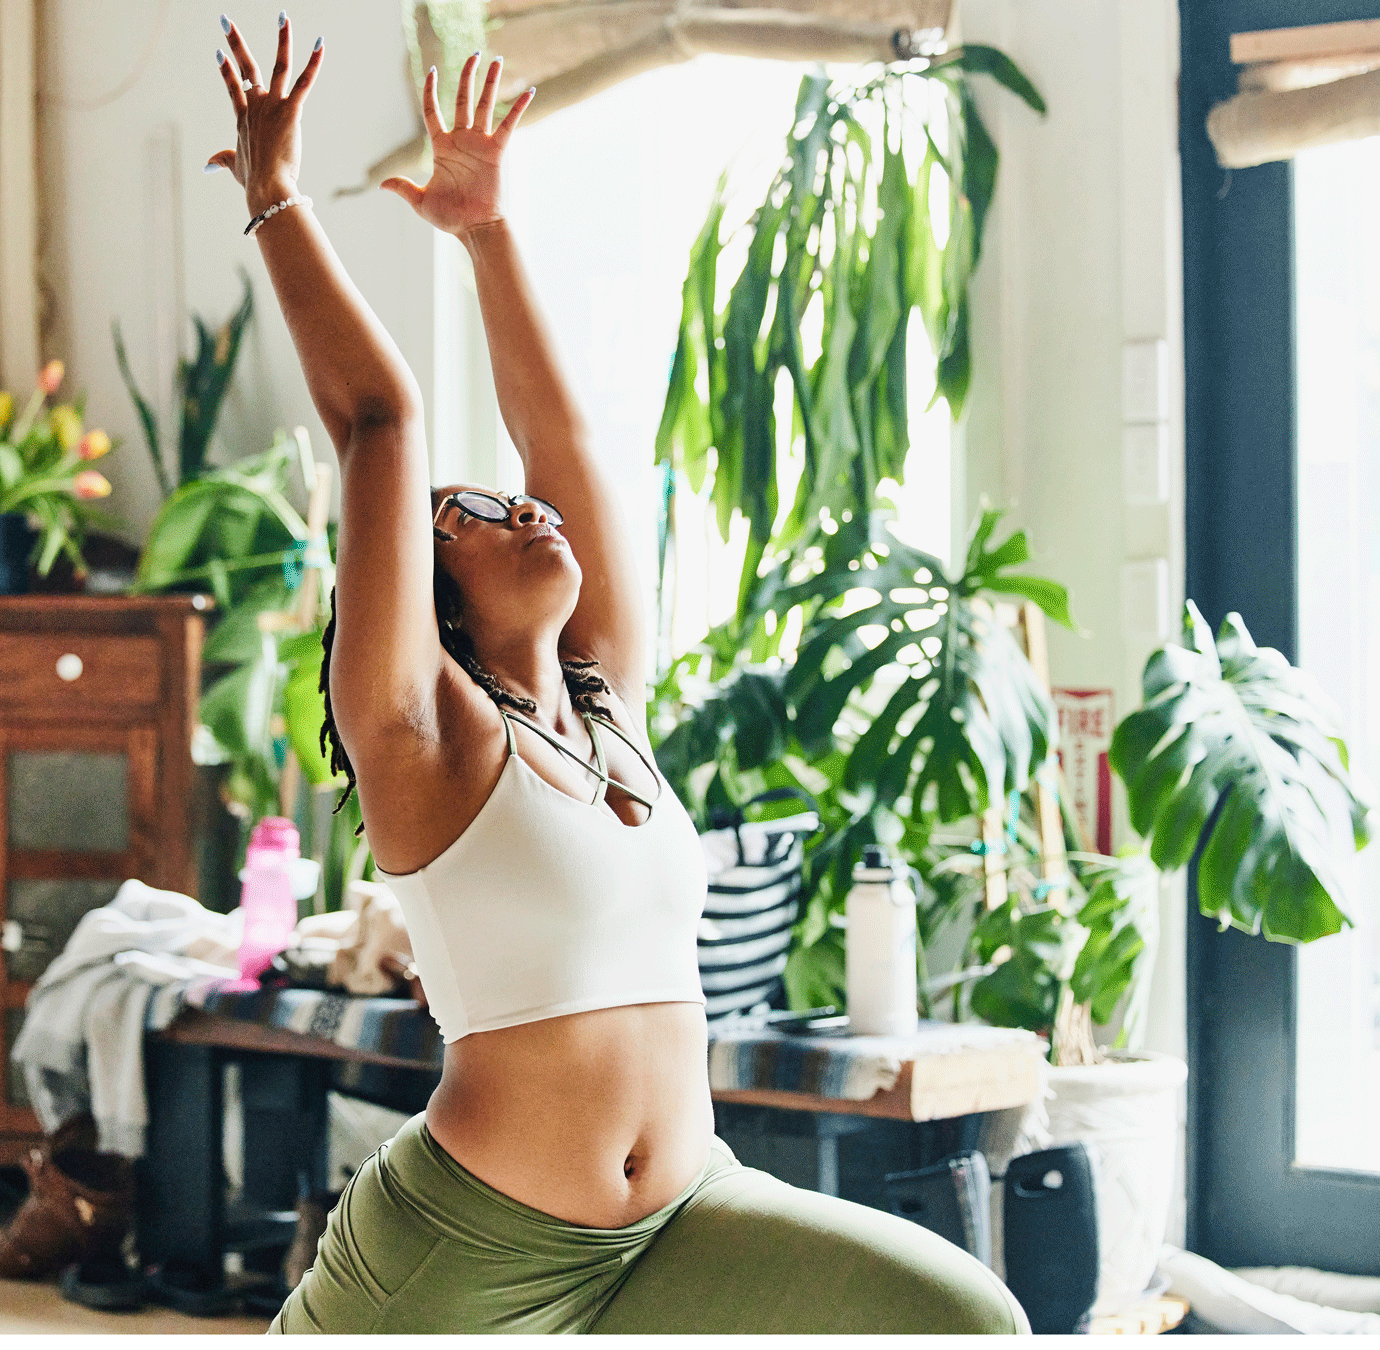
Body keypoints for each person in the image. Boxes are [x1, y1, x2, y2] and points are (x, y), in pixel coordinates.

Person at [205, 16, 1030, 1334]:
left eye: (518, 505)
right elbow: (381, 416)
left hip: (685, 1212)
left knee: (963, 1319)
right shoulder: (423, 737)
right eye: (470, 515)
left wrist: (486, 230)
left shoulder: (608, 711)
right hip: (469, 1241)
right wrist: (277, 195)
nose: (525, 512)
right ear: (426, 596)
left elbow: (562, 434)